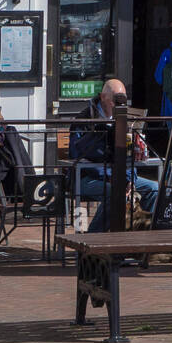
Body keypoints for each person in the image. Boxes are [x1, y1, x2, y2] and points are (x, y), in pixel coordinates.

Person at [69, 78, 159, 232]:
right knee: (114, 193)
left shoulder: (125, 119)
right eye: (115, 100)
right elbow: (77, 156)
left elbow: (129, 154)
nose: (118, 104)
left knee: (153, 188)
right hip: (87, 177)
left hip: (119, 176)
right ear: (103, 97)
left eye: (122, 99)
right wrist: (111, 176)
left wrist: (130, 179)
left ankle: (139, 237)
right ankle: (94, 239)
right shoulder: (84, 118)